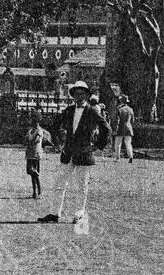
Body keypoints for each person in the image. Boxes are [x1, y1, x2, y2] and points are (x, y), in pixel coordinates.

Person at [37, 80, 111, 227]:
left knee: (82, 185)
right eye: (76, 94)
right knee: (59, 183)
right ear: (73, 96)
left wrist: (95, 147)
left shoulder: (92, 111)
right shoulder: (69, 110)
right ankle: (55, 213)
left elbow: (106, 129)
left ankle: (79, 213)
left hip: (84, 153)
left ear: (87, 95)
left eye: (82, 94)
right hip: (68, 151)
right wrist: (58, 143)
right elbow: (54, 125)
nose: (79, 97)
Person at [24, 111, 53, 199]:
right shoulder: (31, 130)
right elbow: (25, 140)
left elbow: (35, 141)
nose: (32, 121)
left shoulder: (39, 130)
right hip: (29, 153)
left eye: (33, 119)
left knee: (34, 173)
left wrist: (28, 142)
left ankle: (39, 193)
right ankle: (35, 193)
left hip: (35, 153)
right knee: (31, 173)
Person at [116, 94, 134, 163]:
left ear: (121, 101)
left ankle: (117, 158)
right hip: (128, 127)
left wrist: (115, 128)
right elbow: (132, 121)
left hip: (120, 127)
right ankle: (131, 156)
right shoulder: (130, 109)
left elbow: (117, 120)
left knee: (118, 143)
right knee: (128, 143)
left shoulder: (119, 109)